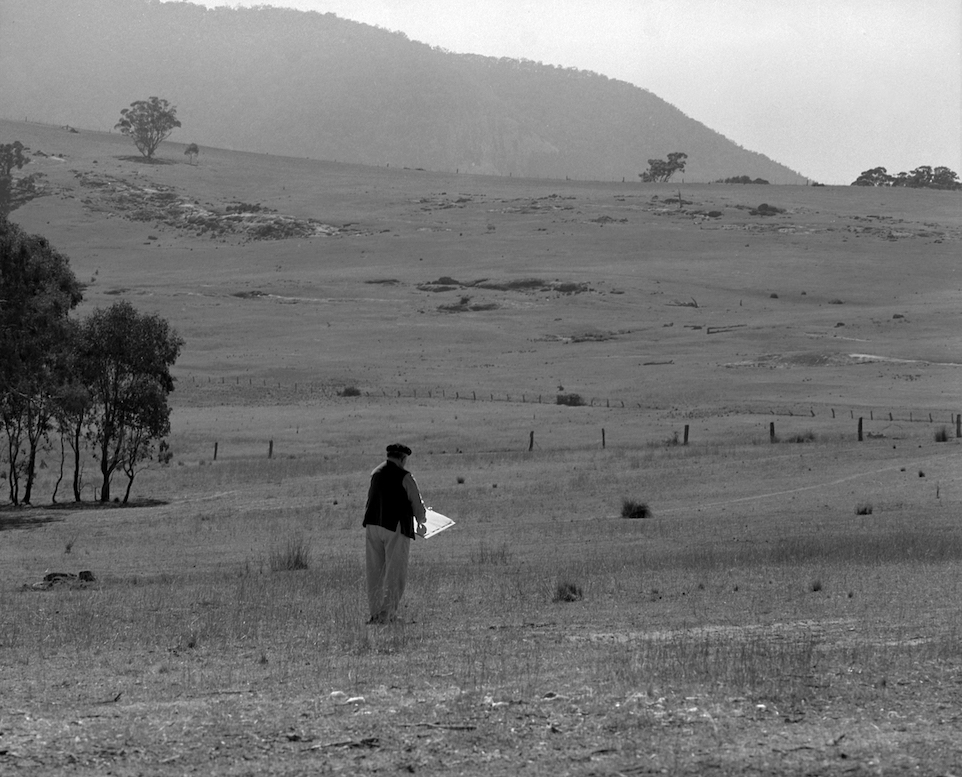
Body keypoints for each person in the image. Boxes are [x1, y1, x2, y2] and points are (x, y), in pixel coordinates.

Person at [362, 443, 427, 624]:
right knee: (395, 572)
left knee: (374, 572)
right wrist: (422, 520)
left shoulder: (375, 473)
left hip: (373, 525)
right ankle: (387, 614)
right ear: (403, 459)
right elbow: (418, 509)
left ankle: (375, 614)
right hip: (395, 528)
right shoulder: (405, 477)